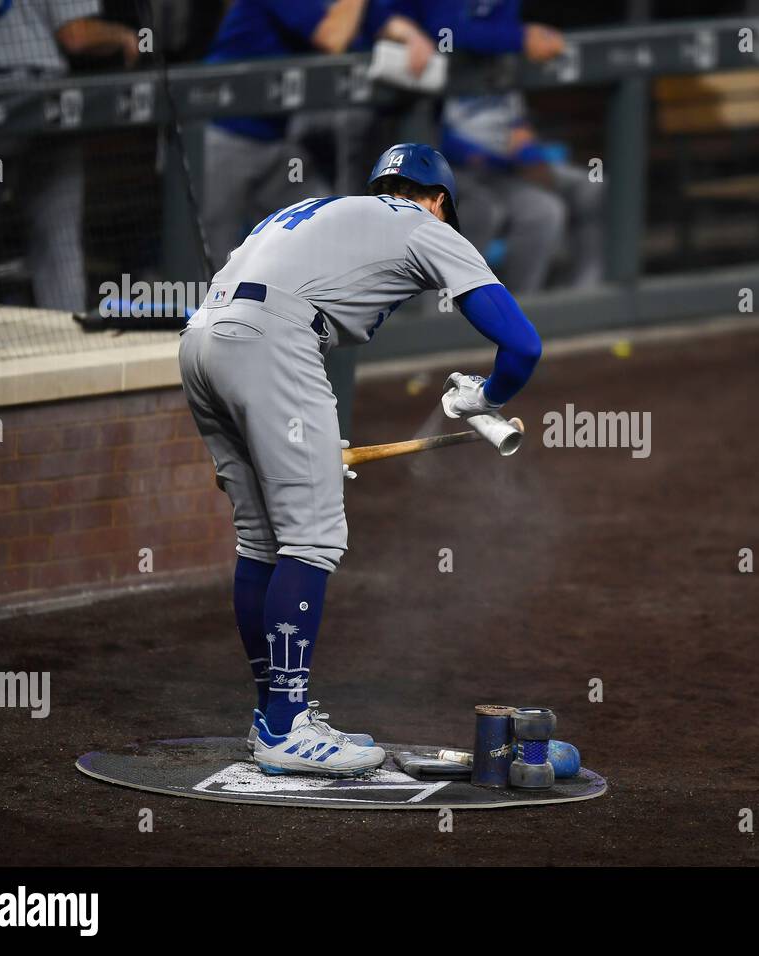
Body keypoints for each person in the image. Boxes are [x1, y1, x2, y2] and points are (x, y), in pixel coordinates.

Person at [178, 144, 542, 776]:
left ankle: (276, 714)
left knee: (262, 541)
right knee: (311, 540)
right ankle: (286, 727)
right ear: (438, 201)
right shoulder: (423, 223)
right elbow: (522, 345)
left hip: (203, 342)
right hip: (272, 344)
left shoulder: (318, 210)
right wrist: (485, 396)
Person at [201, 0, 434, 265]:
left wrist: (410, 36)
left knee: (324, 229)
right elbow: (331, 37)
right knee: (208, 254)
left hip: (276, 140)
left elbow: (375, 24)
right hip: (219, 131)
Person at [398, 0, 603, 291]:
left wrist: (528, 153)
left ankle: (535, 310)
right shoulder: (442, 42)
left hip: (504, 169)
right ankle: (452, 318)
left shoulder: (501, 42)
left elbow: (512, 115)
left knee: (565, 200)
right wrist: (520, 37)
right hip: (457, 169)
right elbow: (446, 27)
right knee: (483, 211)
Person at [0, 0, 140, 310]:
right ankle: (69, 348)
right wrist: (123, 36)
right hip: (36, 105)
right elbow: (76, 35)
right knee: (58, 245)